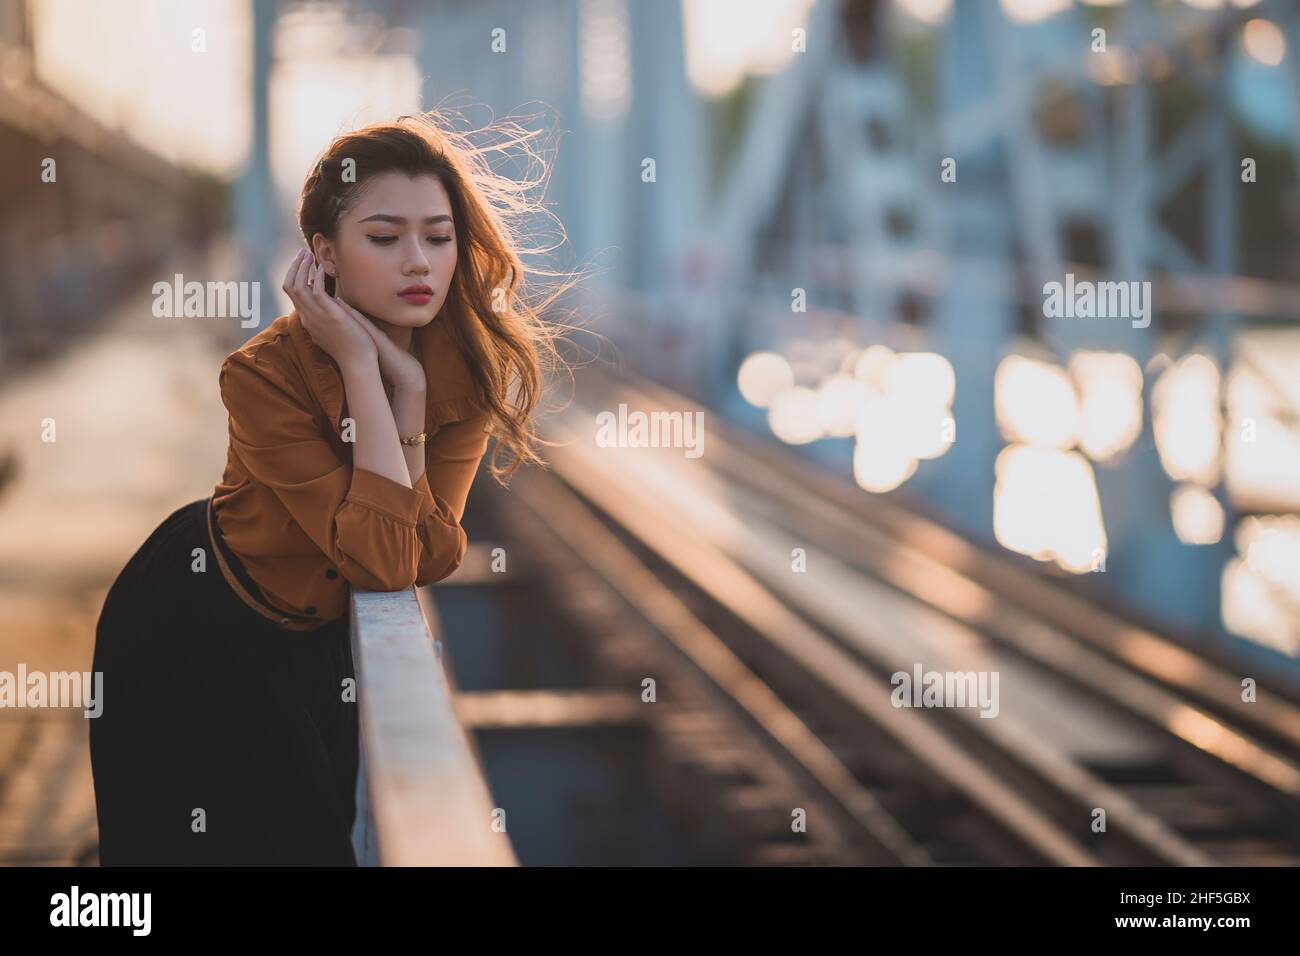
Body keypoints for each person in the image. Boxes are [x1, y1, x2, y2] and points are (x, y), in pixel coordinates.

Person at [90, 111, 577, 865]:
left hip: (318, 648)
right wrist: (363, 368)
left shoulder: (466, 375)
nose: (418, 262)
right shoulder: (261, 377)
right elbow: (386, 558)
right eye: (384, 238)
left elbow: (426, 555)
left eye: (439, 237)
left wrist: (407, 392)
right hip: (196, 626)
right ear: (325, 255)